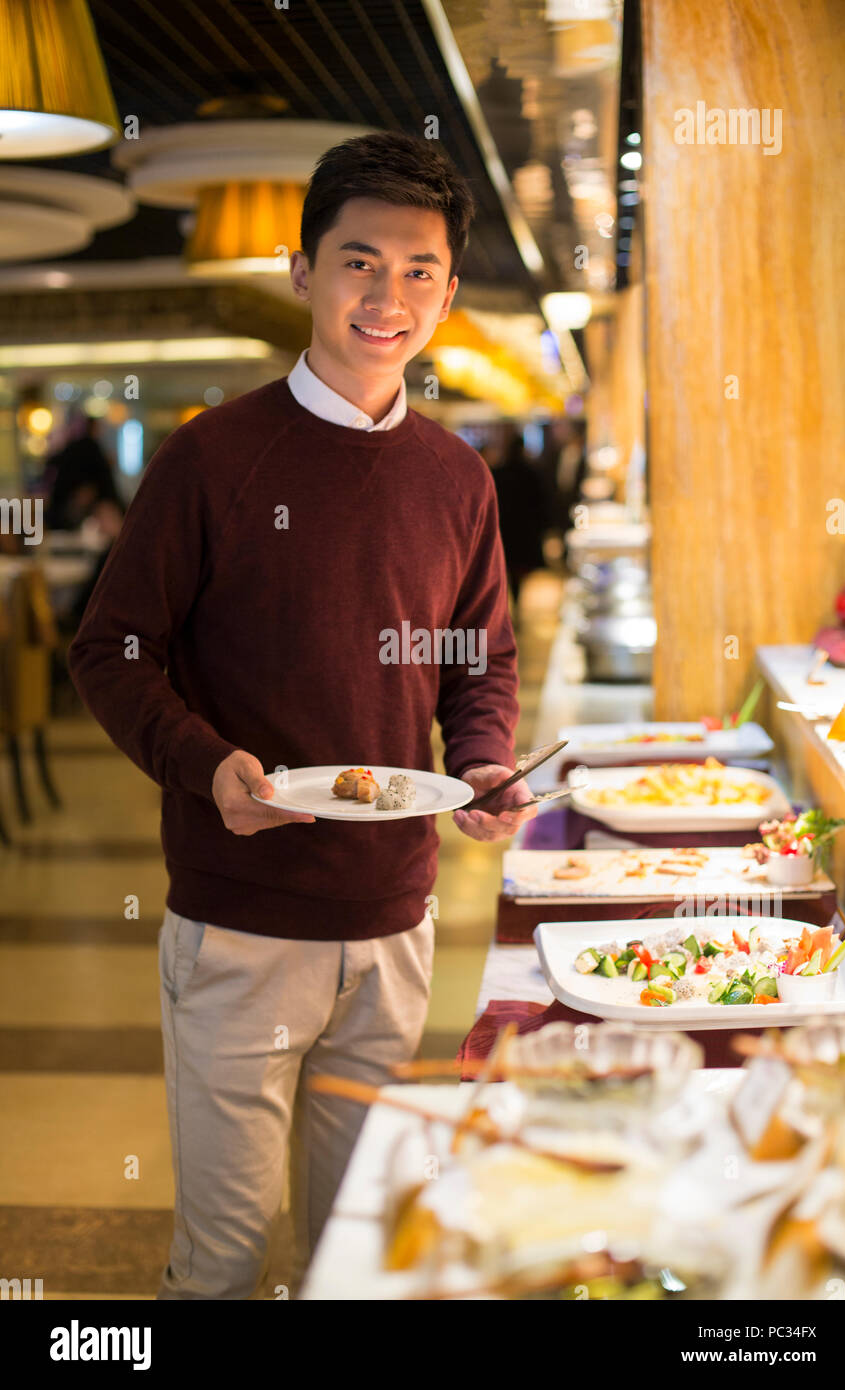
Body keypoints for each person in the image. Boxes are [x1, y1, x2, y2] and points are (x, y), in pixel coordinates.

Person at [68, 132, 538, 1301]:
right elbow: (113, 649)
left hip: (394, 926)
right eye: (358, 262)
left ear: (446, 286)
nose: (389, 298)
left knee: (352, 1254)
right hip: (239, 928)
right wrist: (204, 762)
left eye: (419, 270)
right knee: (225, 1263)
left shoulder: (456, 479)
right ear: (302, 271)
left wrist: (479, 761)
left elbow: (476, 661)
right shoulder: (210, 458)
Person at [484, 424, 548, 612]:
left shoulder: (499, 473)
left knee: (507, 567)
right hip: (524, 531)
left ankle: (511, 603)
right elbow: (540, 503)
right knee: (519, 570)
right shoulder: (531, 473)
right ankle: (516, 603)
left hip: (506, 529)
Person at [44, 410, 123, 533]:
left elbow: (52, 463)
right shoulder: (91, 448)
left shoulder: (73, 447)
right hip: (84, 511)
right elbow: (103, 481)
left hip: (64, 514)